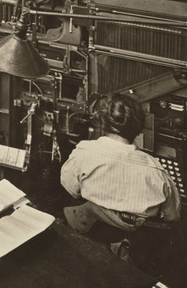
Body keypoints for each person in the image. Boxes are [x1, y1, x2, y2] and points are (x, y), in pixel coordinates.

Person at [60, 94, 180, 241]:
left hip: (90, 235)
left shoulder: (84, 152)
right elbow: (172, 216)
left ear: (104, 122)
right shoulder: (156, 170)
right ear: (139, 129)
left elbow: (71, 189)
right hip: (136, 242)